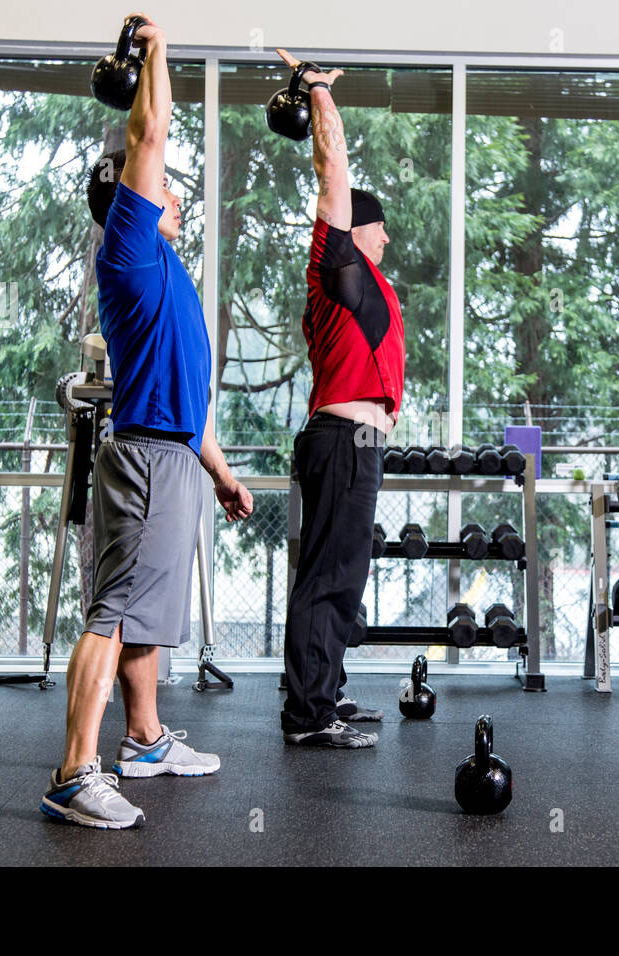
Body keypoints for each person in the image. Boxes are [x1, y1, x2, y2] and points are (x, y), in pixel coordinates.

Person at [40, 14, 254, 829]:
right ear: (130, 194)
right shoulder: (127, 244)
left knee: (144, 613)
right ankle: (73, 772)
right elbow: (151, 125)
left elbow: (186, 402)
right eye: (158, 181)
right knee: (114, 611)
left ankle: (147, 739)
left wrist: (223, 475)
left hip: (171, 454)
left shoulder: (166, 268)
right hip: (143, 463)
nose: (171, 189)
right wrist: (158, 49)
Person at [276, 49, 406, 748]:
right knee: (328, 576)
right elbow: (333, 174)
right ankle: (307, 715)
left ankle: (322, 692)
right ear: (352, 232)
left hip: (358, 444)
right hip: (342, 441)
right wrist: (320, 94)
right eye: (377, 223)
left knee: (339, 576)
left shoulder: (367, 287)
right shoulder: (340, 270)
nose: (387, 234)